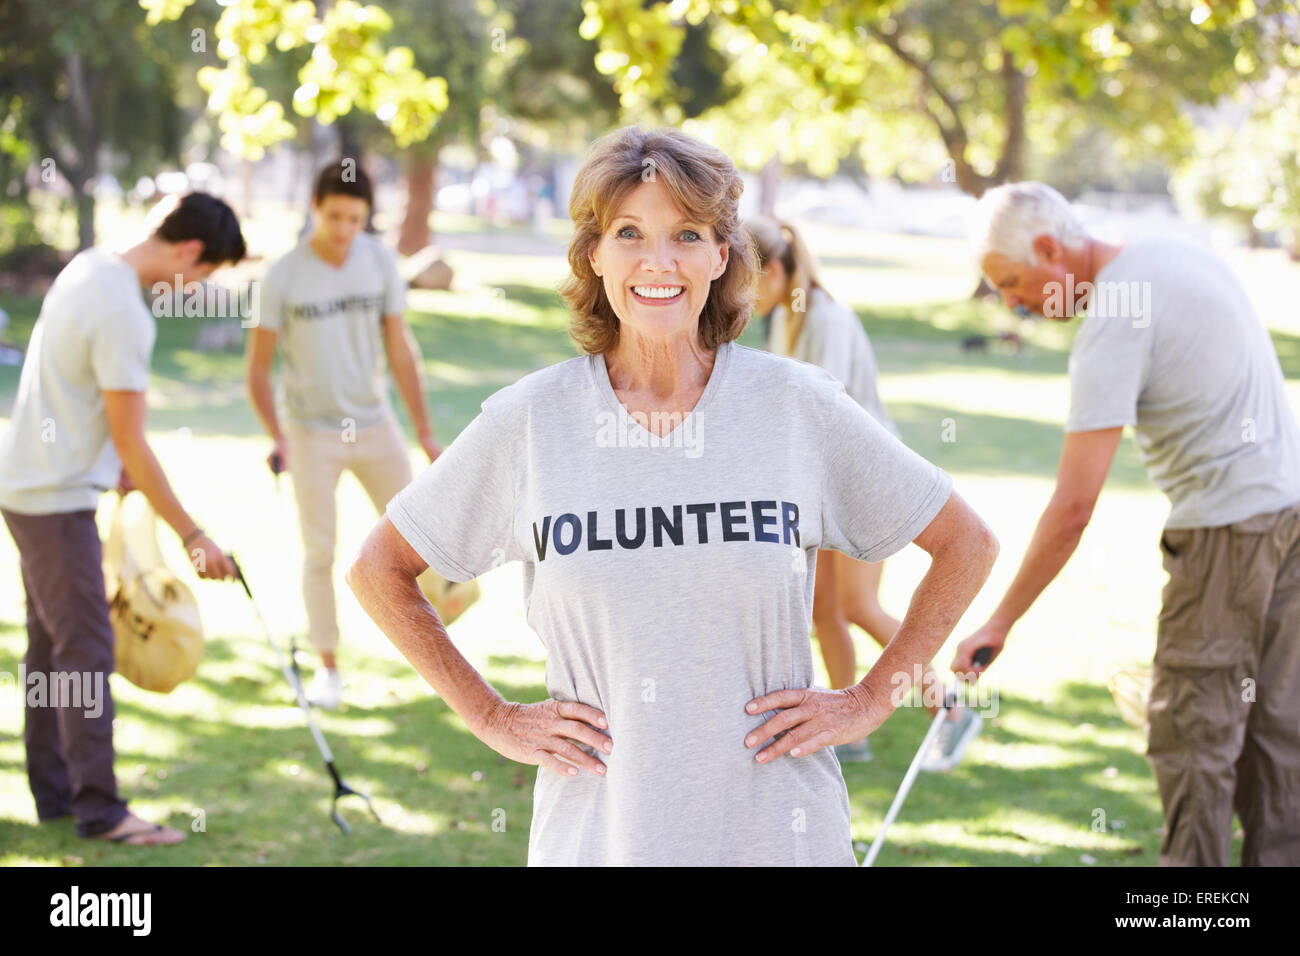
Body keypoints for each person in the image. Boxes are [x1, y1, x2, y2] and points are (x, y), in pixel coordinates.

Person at [346, 125, 999, 866]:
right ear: (594, 253)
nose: (659, 262)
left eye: (686, 234)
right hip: (598, 839)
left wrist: (872, 699)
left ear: (722, 255)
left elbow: (966, 543)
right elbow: (378, 569)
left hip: (778, 836)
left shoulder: (793, 405)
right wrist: (490, 716)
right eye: (629, 233)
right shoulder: (532, 420)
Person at [954, 181, 1300, 866]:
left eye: (1015, 283)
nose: (1015, 305)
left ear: (1051, 248)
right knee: (1278, 733)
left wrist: (999, 621)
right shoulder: (1173, 253)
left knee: (1192, 737)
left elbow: (1073, 508)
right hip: (1290, 513)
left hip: (1227, 534)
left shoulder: (1115, 317)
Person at [0, 191, 245, 846]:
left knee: (53, 649)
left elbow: (79, 396)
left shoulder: (91, 267)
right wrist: (192, 534)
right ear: (190, 250)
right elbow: (132, 437)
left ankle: (54, 795)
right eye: (202, 276)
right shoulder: (124, 310)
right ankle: (101, 811)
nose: (194, 289)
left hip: (31, 487)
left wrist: (117, 463)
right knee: (85, 650)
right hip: (55, 497)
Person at [745, 215, 984, 771]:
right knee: (824, 607)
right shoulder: (787, 318)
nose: (736, 293)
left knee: (858, 604)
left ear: (776, 270)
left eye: (745, 278)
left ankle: (948, 707)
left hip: (861, 487)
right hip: (818, 490)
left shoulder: (824, 318)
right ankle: (847, 732)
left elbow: (820, 416)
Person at [246, 159, 443, 710]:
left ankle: (440, 663)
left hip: (377, 425)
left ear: (366, 219)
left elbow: (402, 350)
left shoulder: (380, 263)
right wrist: (278, 436)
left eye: (354, 219)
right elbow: (256, 369)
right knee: (320, 551)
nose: (342, 230)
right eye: (333, 216)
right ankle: (327, 668)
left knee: (424, 543)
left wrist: (425, 432)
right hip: (310, 433)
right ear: (314, 207)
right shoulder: (283, 275)